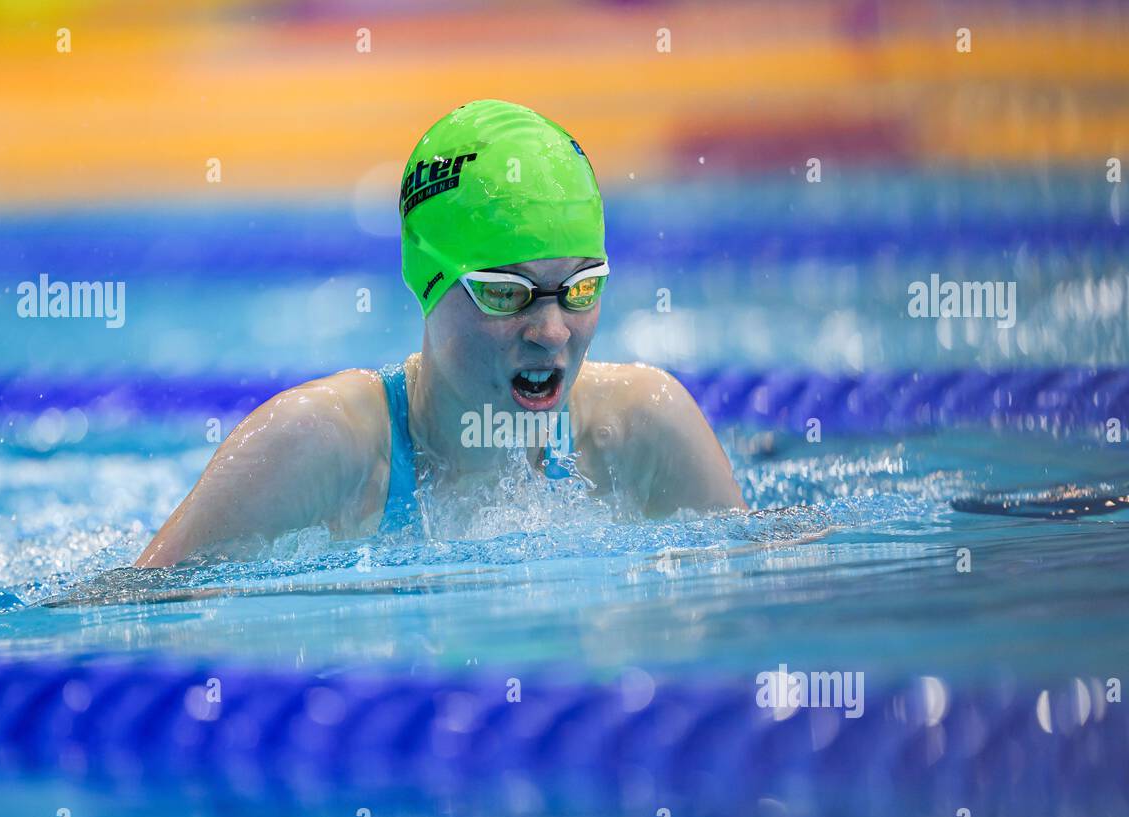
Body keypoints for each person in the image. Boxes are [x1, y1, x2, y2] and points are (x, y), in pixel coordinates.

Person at [137, 99, 744, 568]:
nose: (553, 332)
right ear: (428, 281)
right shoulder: (319, 445)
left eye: (581, 288)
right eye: (507, 293)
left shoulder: (643, 431)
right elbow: (126, 612)